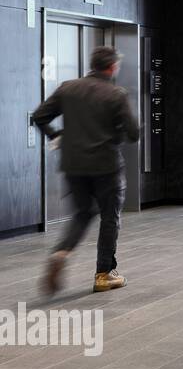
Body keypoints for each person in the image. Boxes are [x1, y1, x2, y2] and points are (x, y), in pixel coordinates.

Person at [31, 45, 139, 296]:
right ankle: (104, 275)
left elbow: (39, 116)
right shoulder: (116, 94)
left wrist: (57, 136)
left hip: (74, 164)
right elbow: (133, 134)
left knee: (82, 213)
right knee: (109, 217)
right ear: (112, 67)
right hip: (107, 166)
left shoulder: (68, 88)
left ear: (92, 64)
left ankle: (61, 252)